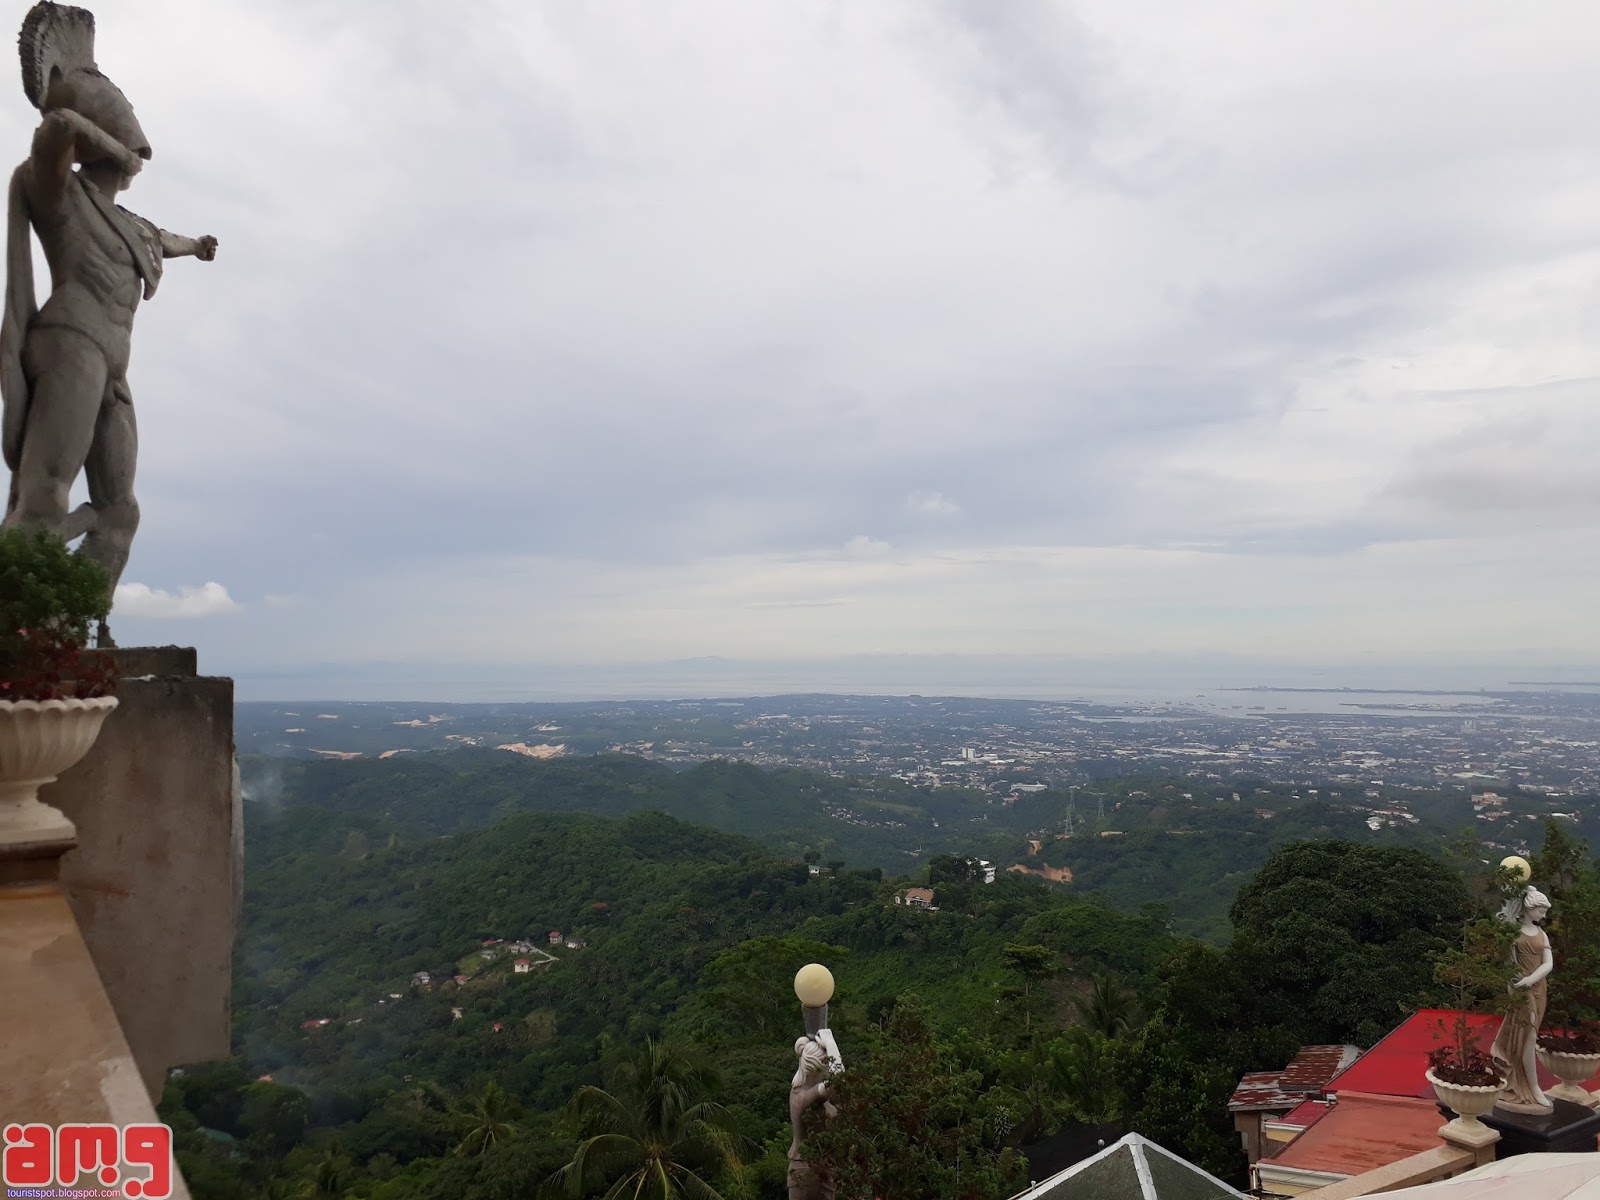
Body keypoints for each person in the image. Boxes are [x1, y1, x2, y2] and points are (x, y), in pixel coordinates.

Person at [1490, 885, 1554, 1113]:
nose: (1544, 915)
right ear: (1529, 908)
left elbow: (1549, 963)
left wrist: (1532, 979)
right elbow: (1505, 958)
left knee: (1530, 1031)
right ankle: (1534, 1087)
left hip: (1537, 987)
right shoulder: (1513, 931)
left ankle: (1528, 1083)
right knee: (1528, 1034)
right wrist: (1520, 981)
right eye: (1541, 910)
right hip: (1518, 986)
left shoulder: (1541, 933)